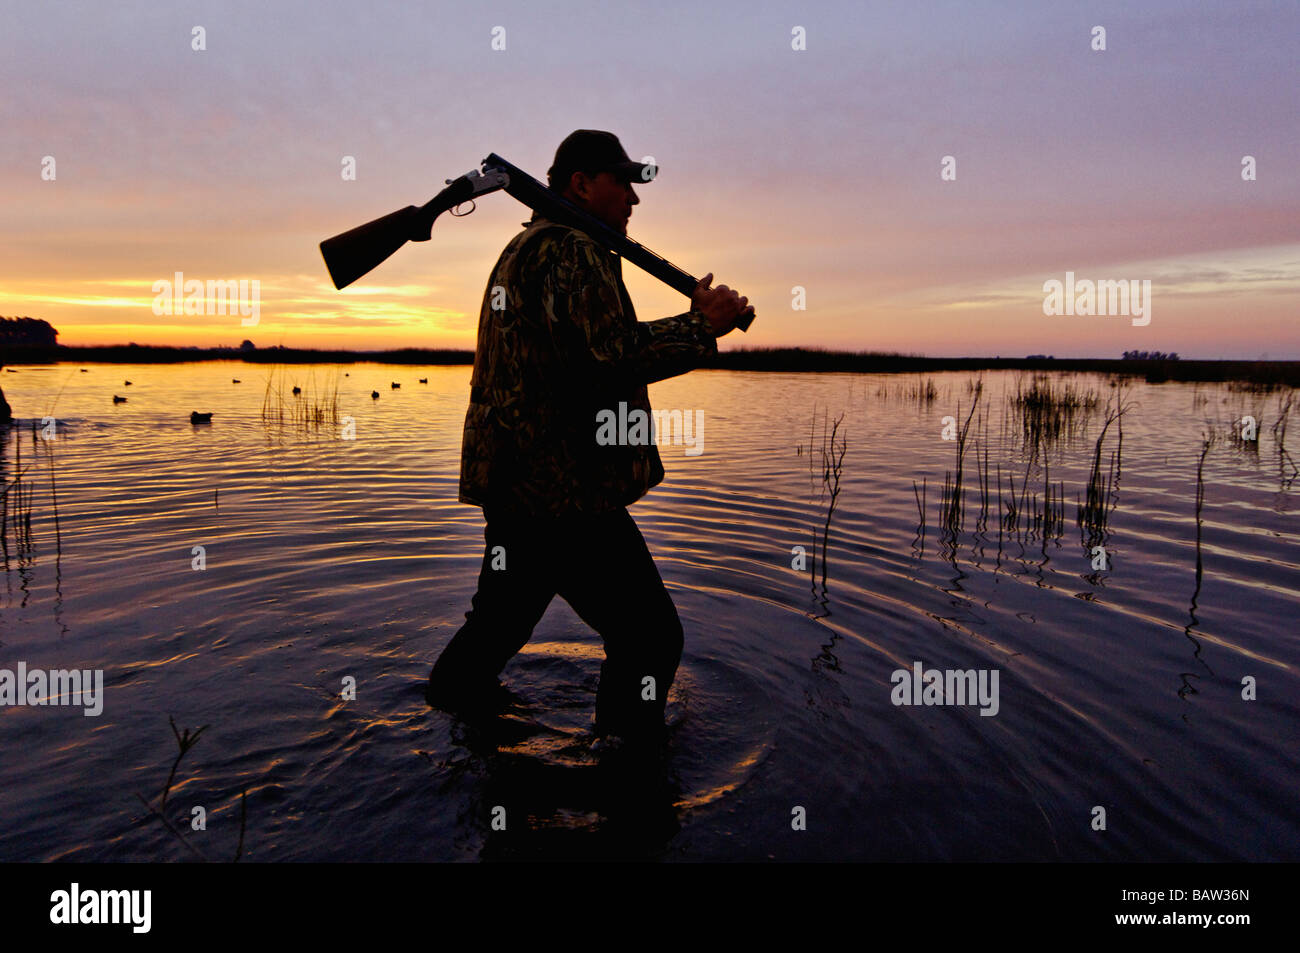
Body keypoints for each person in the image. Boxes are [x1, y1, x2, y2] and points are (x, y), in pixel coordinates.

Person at [426, 130, 752, 748]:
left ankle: (442, 728)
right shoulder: (568, 250)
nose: (633, 198)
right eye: (620, 182)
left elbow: (579, 358)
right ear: (580, 184)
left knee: (498, 626)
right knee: (650, 637)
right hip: (562, 492)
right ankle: (628, 773)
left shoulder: (530, 245)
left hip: (520, 484)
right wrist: (701, 325)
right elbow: (606, 358)